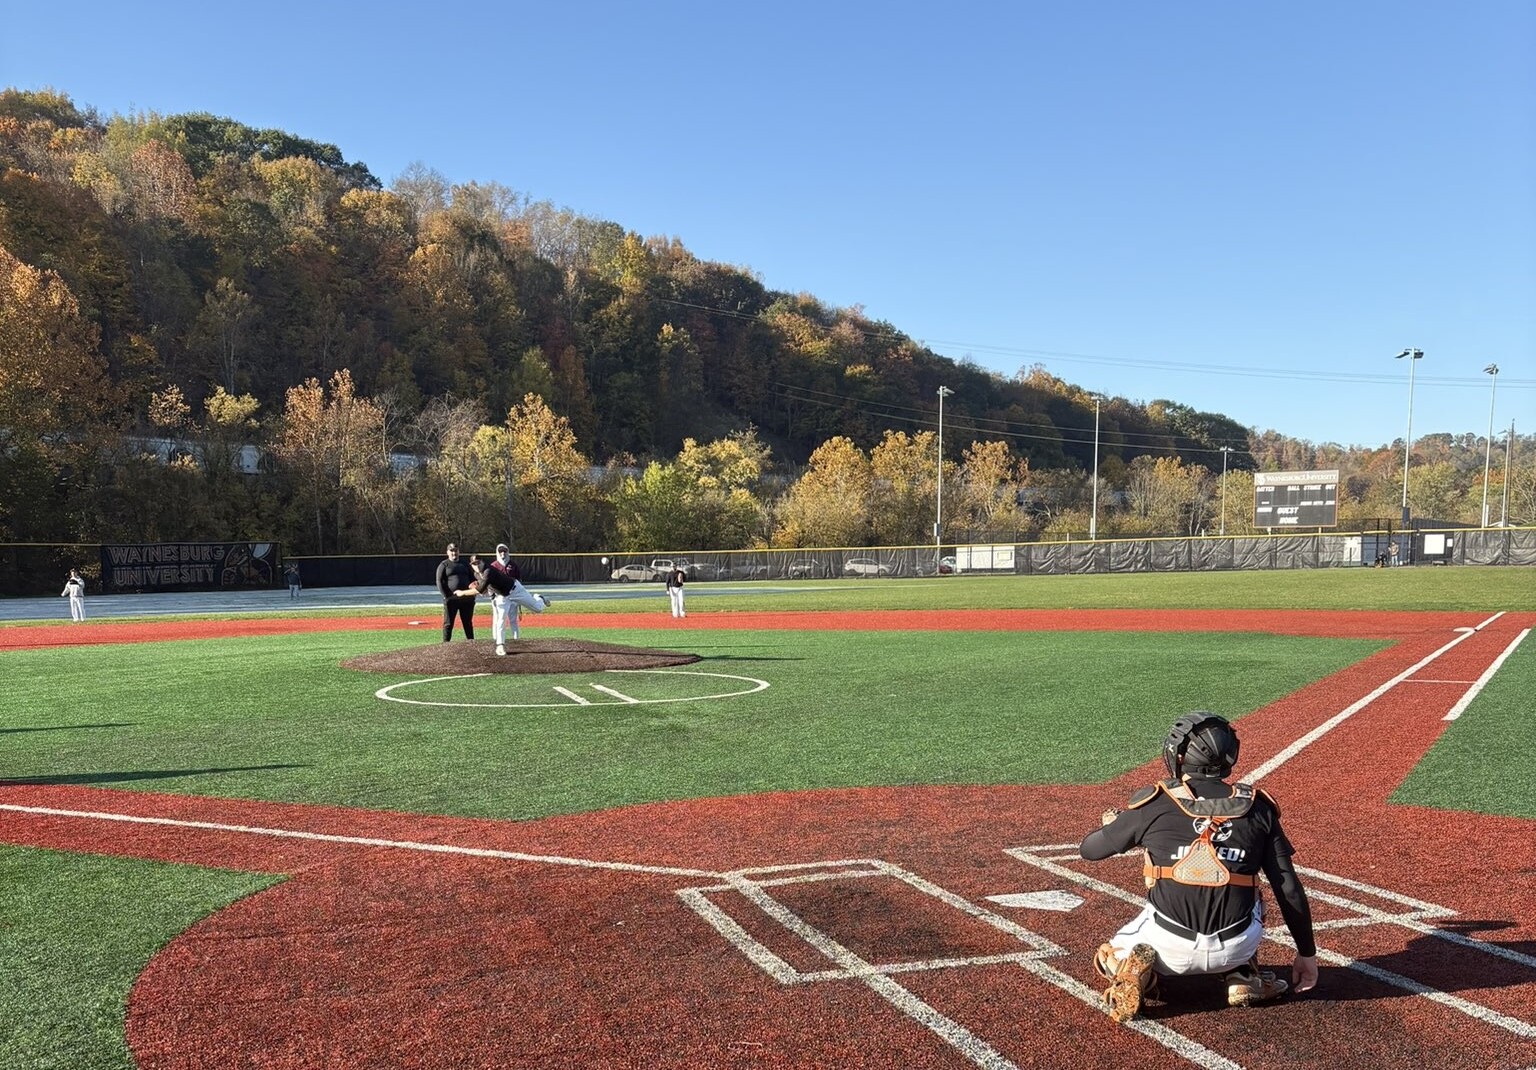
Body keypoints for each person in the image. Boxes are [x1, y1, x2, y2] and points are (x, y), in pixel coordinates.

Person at [1079, 712, 1318, 1024]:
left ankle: (1134, 973)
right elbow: (1288, 888)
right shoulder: (1259, 808)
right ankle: (1243, 974)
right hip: (1237, 945)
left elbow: (1090, 851)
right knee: (1255, 896)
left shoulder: (1156, 803)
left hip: (1168, 947)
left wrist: (1120, 827)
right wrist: (1307, 953)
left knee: (1109, 953)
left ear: (1179, 756)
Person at [475, 543, 552, 655]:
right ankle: (499, 644)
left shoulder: (513, 565)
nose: (503, 553)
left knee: (536, 610)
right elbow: (487, 584)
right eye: (500, 551)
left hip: (515, 590)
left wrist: (519, 599)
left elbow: (518, 580)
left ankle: (538, 597)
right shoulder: (492, 566)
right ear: (497, 553)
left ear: (508, 552)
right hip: (501, 595)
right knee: (500, 619)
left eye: (504, 551)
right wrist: (491, 596)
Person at [435, 543, 478, 642]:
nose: (454, 553)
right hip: (451, 599)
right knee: (448, 623)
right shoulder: (444, 565)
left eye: (456, 550)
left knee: (467, 623)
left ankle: (471, 644)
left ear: (459, 552)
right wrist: (446, 596)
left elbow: (473, 580)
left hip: (466, 598)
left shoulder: (465, 564)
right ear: (447, 552)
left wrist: (473, 594)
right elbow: (439, 581)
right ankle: (446, 644)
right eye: (451, 551)